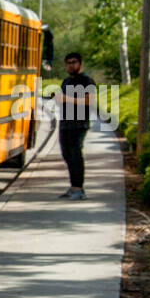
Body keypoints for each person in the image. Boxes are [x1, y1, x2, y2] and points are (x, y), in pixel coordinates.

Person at [55, 52, 95, 200]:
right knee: (67, 155)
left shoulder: (86, 81)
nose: (71, 65)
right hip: (65, 122)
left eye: (74, 62)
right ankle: (73, 187)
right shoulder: (66, 82)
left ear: (80, 64)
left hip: (79, 123)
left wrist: (67, 98)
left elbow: (89, 100)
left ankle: (79, 188)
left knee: (76, 154)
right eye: (68, 63)